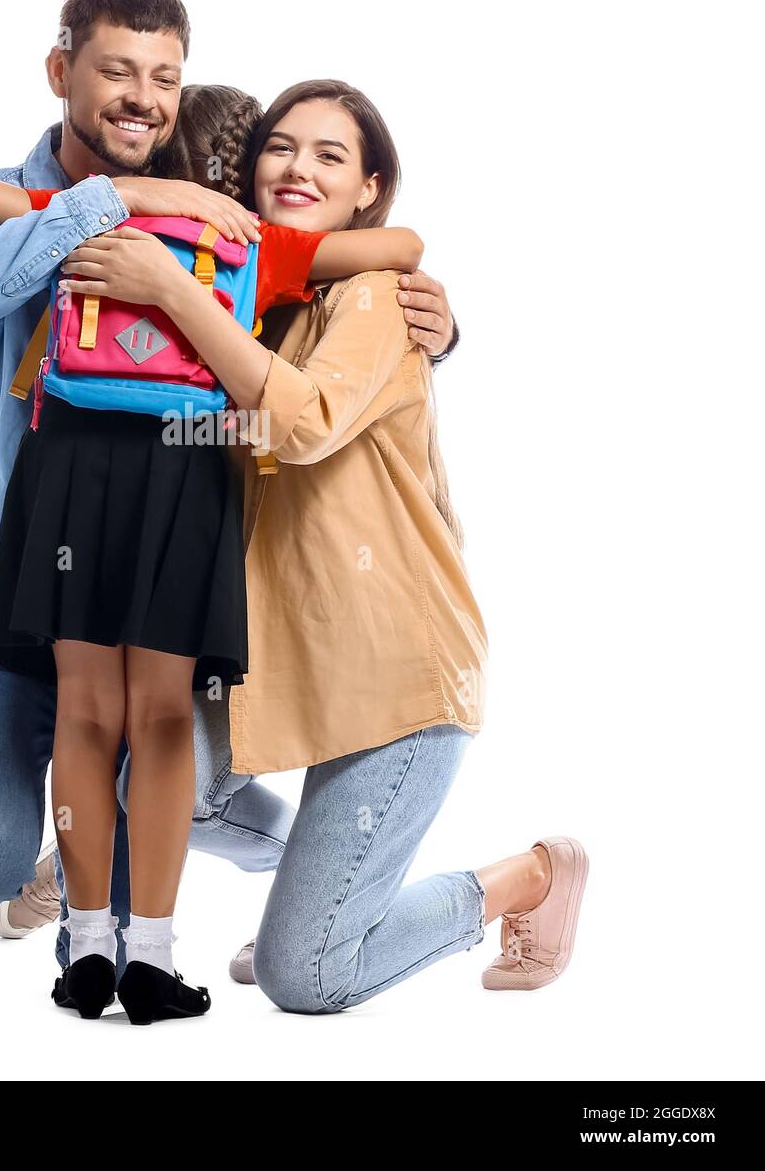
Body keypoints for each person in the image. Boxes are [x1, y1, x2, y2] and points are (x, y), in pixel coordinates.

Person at [0, 0, 459, 985]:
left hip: (151, 566)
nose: (139, 94)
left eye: (162, 76)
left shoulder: (214, 228)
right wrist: (112, 204)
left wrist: (428, 328)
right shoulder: (10, 209)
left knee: (164, 750)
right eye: (114, 70)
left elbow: (326, 302)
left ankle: (107, 918)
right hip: (8, 574)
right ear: (61, 71)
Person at [61, 78, 590, 1009]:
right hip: (274, 656)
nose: (297, 167)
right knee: (162, 789)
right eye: (280, 147)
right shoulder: (256, 296)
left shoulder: (377, 300)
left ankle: (531, 877)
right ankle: (318, 898)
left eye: (328, 156)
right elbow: (211, 434)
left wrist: (177, 303)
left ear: (368, 190)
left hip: (397, 678)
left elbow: (299, 424)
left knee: (304, 977)